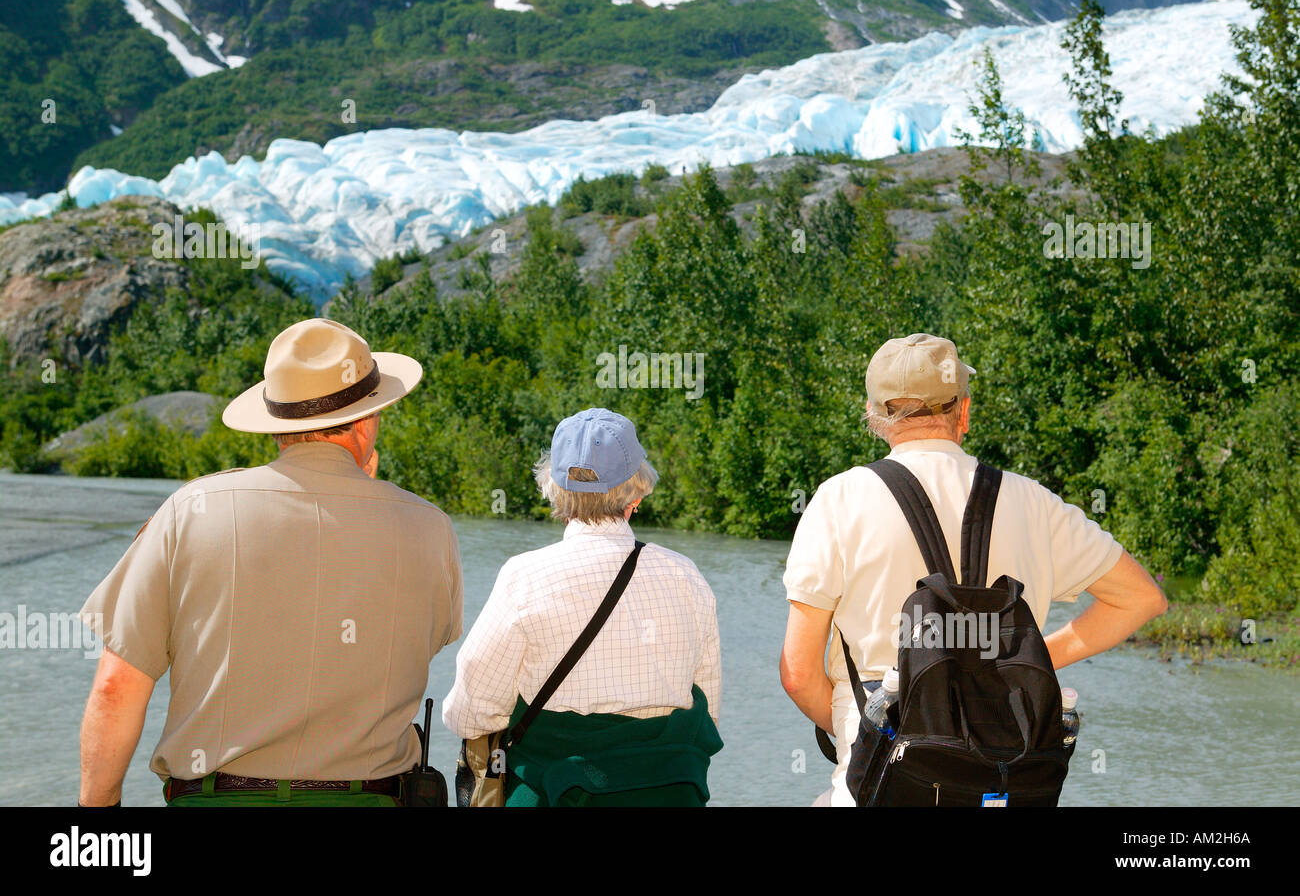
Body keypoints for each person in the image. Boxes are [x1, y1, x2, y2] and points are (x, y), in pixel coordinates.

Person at [77, 318, 464, 806]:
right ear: (367, 421)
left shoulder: (188, 511)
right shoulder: (430, 526)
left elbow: (117, 685)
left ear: (278, 425)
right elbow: (411, 650)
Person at [779, 332, 1167, 807]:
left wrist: (858, 728)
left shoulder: (838, 500)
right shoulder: (1034, 502)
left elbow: (798, 674)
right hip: (1004, 778)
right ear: (963, 409)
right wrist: (1026, 661)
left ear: (875, 417)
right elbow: (1142, 598)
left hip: (879, 779)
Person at [443, 407, 722, 806]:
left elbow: (473, 710)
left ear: (554, 489)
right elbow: (707, 711)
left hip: (554, 792)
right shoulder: (687, 576)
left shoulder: (525, 576)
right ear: (638, 491)